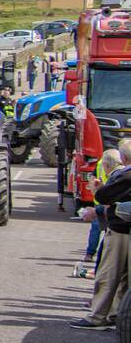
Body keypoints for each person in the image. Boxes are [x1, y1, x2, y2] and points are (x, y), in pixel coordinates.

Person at [73, 139, 131, 329]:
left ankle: (97, 317)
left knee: (107, 275)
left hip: (120, 230)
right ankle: (117, 316)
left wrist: (99, 193)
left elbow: (103, 196)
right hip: (122, 228)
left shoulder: (126, 175)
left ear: (124, 157)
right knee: (124, 279)